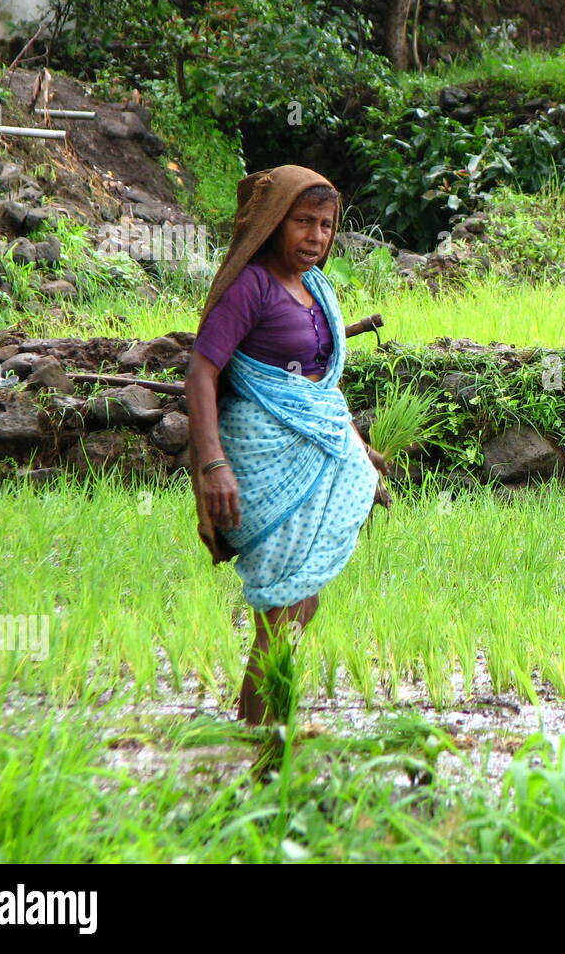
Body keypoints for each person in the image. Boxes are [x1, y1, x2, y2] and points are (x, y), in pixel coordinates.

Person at [186, 165, 380, 726]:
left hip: (312, 455)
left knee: (302, 602)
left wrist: (356, 452)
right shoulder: (253, 286)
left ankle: (268, 733)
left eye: (325, 225)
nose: (315, 237)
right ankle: (262, 740)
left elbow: (316, 391)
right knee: (282, 611)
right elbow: (201, 372)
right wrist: (212, 464)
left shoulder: (315, 287)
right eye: (302, 223)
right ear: (274, 224)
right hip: (261, 461)